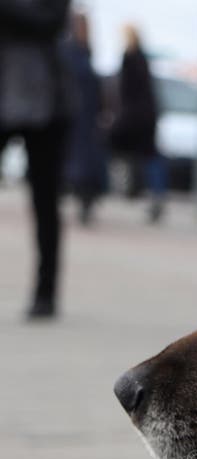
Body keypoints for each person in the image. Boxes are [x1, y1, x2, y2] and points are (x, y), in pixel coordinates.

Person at [0, 0, 72, 318]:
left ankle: (46, 292)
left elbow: (52, 22)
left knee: (45, 202)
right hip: (6, 91)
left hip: (45, 103)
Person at [110, 24, 166, 223]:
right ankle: (154, 197)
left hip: (135, 118)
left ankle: (126, 189)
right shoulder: (142, 58)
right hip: (145, 118)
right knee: (150, 158)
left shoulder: (131, 57)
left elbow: (128, 92)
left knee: (119, 150)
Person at [63, 10, 106, 224]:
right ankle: (82, 201)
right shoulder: (70, 52)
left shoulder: (85, 51)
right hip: (75, 117)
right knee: (78, 164)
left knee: (85, 164)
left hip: (87, 119)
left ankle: (86, 202)